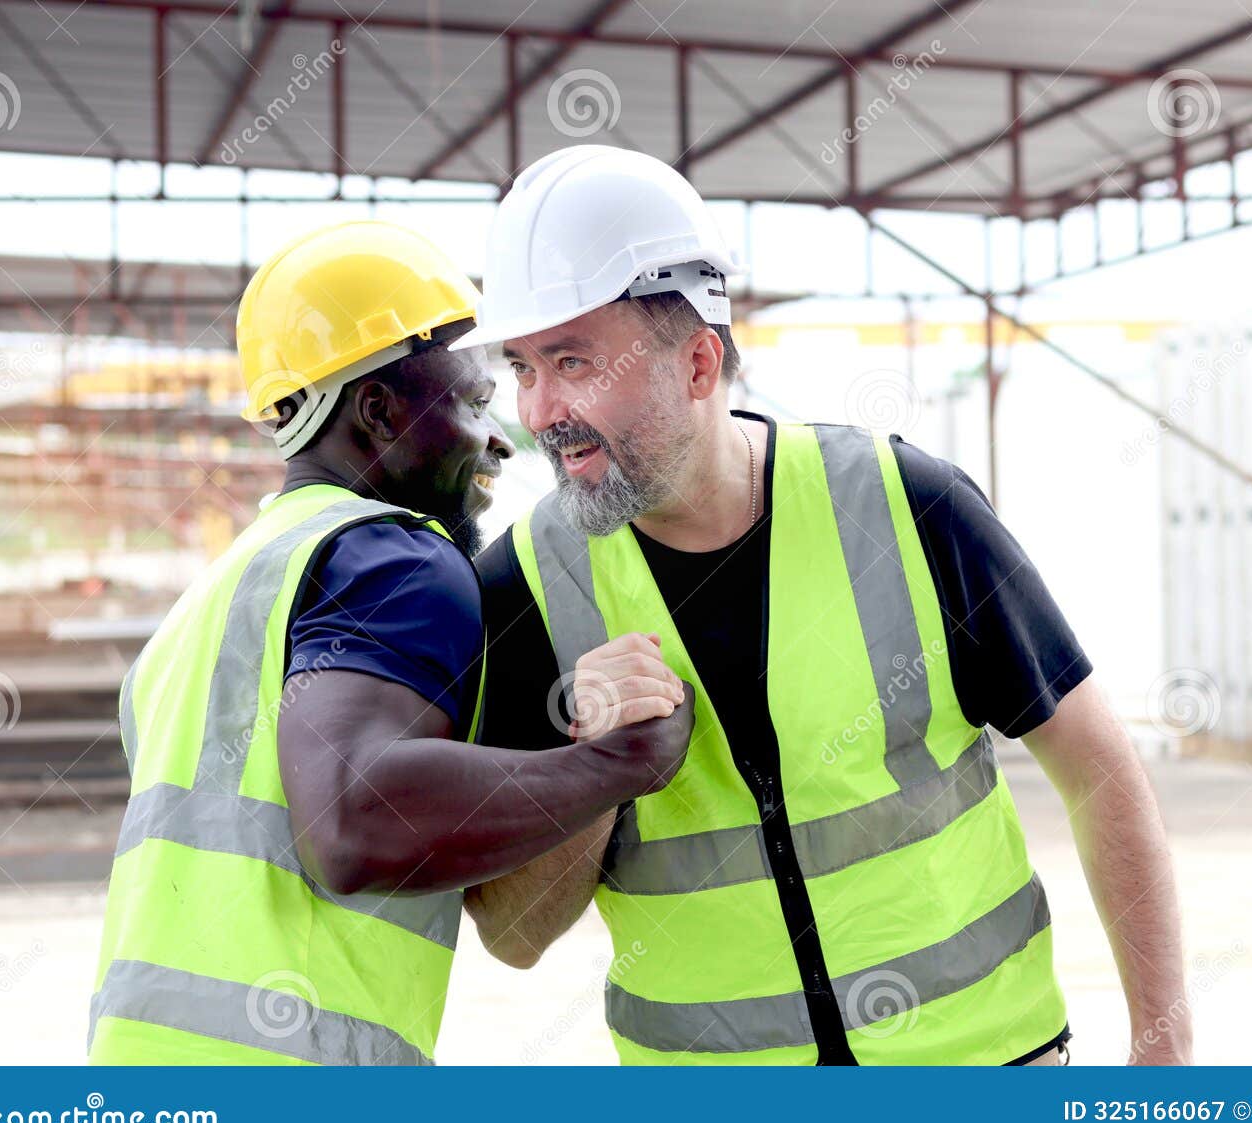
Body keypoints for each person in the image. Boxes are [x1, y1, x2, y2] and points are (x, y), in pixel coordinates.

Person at [460, 146, 1192, 1066]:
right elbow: (514, 935)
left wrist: (1163, 1053)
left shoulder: (910, 508)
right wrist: (594, 771)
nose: (540, 409)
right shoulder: (521, 587)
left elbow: (1100, 773)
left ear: (696, 364)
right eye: (523, 366)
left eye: (572, 360)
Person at [88, 220, 694, 1066]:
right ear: (378, 412)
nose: (501, 438)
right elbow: (352, 822)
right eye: (475, 402)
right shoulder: (395, 555)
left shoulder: (215, 600)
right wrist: (617, 765)